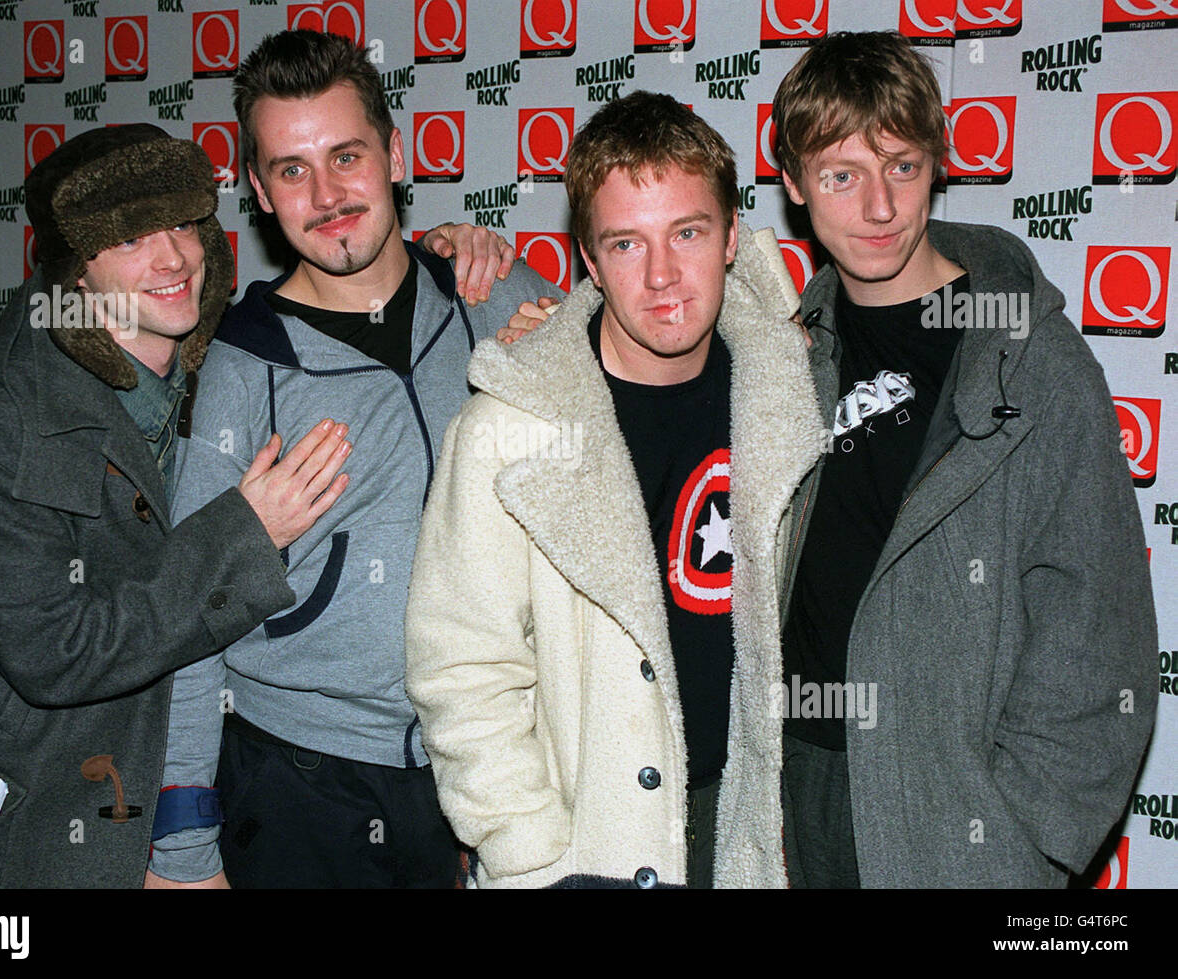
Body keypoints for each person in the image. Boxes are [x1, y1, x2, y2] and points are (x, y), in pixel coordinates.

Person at [0, 124, 345, 887]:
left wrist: (455, 257)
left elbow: (344, 283)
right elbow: (57, 651)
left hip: (120, 800)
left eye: (183, 225)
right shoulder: (6, 411)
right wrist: (246, 534)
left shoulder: (213, 351)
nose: (172, 259)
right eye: (130, 239)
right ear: (78, 273)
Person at [146, 29, 553, 888]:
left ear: (396, 154)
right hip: (302, 789)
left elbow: (656, 350)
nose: (327, 195)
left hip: (491, 769)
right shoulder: (240, 366)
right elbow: (192, 617)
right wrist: (182, 845)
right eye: (291, 170)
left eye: (346, 155)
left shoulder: (496, 296)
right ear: (258, 190)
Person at [405, 90, 822, 888]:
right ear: (589, 262)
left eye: (688, 233)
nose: (662, 275)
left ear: (733, 235)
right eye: (627, 245)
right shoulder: (507, 428)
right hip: (586, 847)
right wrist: (527, 850)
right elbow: (459, 668)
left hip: (752, 837)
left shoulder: (792, 386)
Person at [770, 31, 1157, 887]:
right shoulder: (783, 349)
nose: (878, 207)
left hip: (955, 822)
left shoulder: (1034, 360)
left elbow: (1102, 636)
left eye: (901, 167)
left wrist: (1025, 842)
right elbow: (641, 295)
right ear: (794, 186)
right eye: (841, 175)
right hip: (792, 801)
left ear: (936, 166)